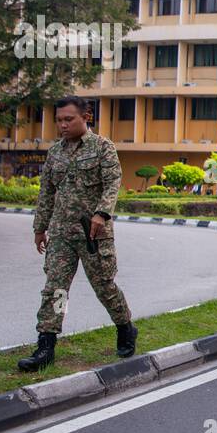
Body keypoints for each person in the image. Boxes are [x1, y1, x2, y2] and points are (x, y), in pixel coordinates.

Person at [18, 96, 135, 371]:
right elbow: (46, 192)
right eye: (59, 120)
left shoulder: (103, 148)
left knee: (104, 286)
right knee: (55, 289)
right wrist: (39, 227)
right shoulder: (55, 152)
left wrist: (102, 213)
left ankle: (125, 327)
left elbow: (112, 183)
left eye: (68, 119)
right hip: (61, 233)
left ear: (86, 116)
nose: (62, 125)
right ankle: (46, 344)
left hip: (93, 233)